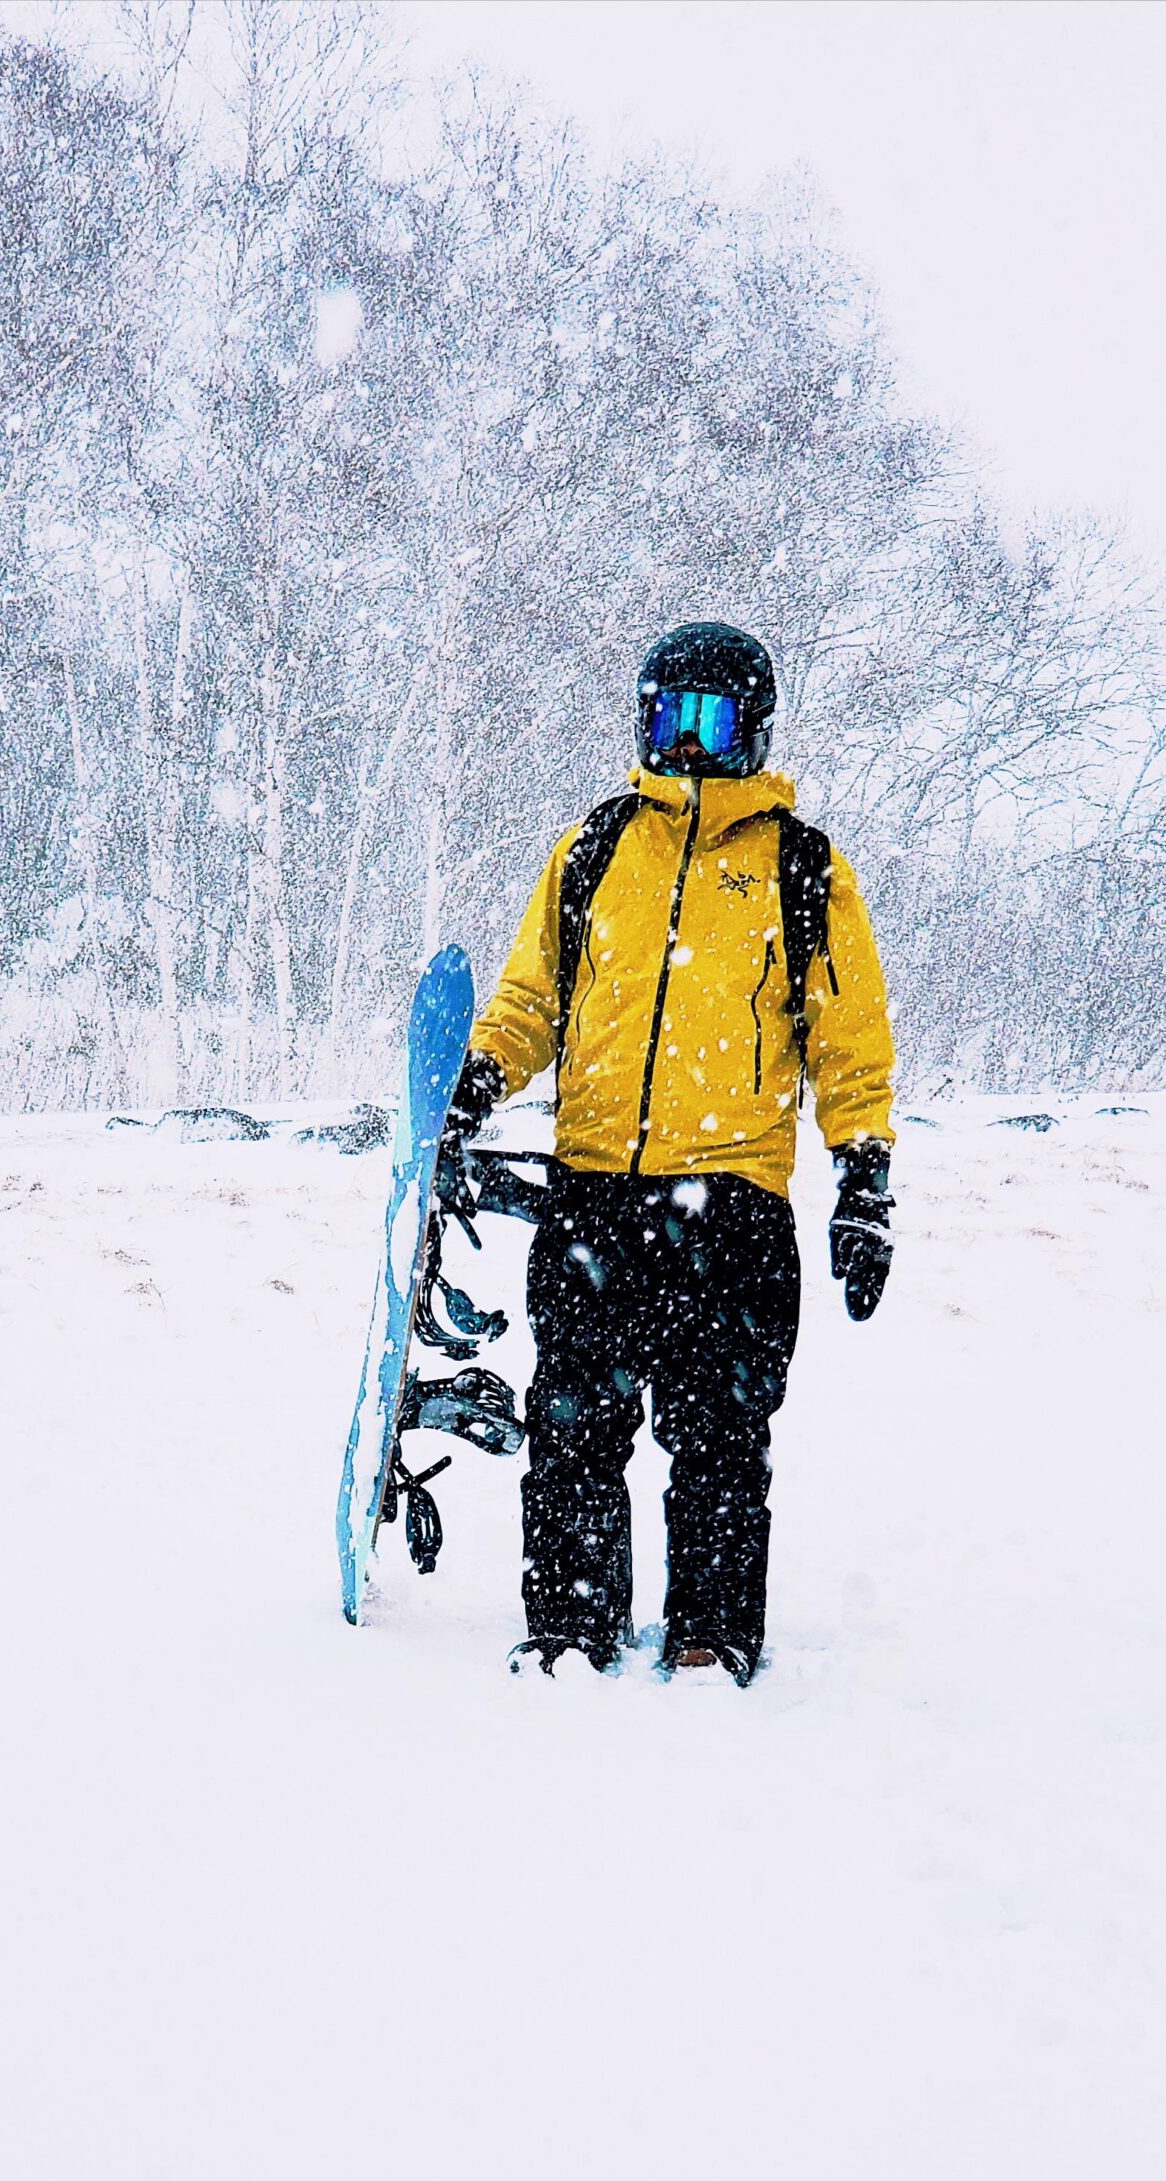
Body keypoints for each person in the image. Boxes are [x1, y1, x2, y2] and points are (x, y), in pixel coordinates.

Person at [445, 622, 895, 1686]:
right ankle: (567, 1629)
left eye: (712, 718)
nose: (686, 741)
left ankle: (709, 1636)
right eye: (667, 716)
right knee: (570, 1429)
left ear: (754, 729)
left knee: (720, 1446)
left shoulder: (802, 869)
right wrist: (474, 1081)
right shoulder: (595, 848)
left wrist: (861, 1181)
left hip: (731, 1207)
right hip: (593, 1191)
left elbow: (848, 1047)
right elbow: (529, 1002)